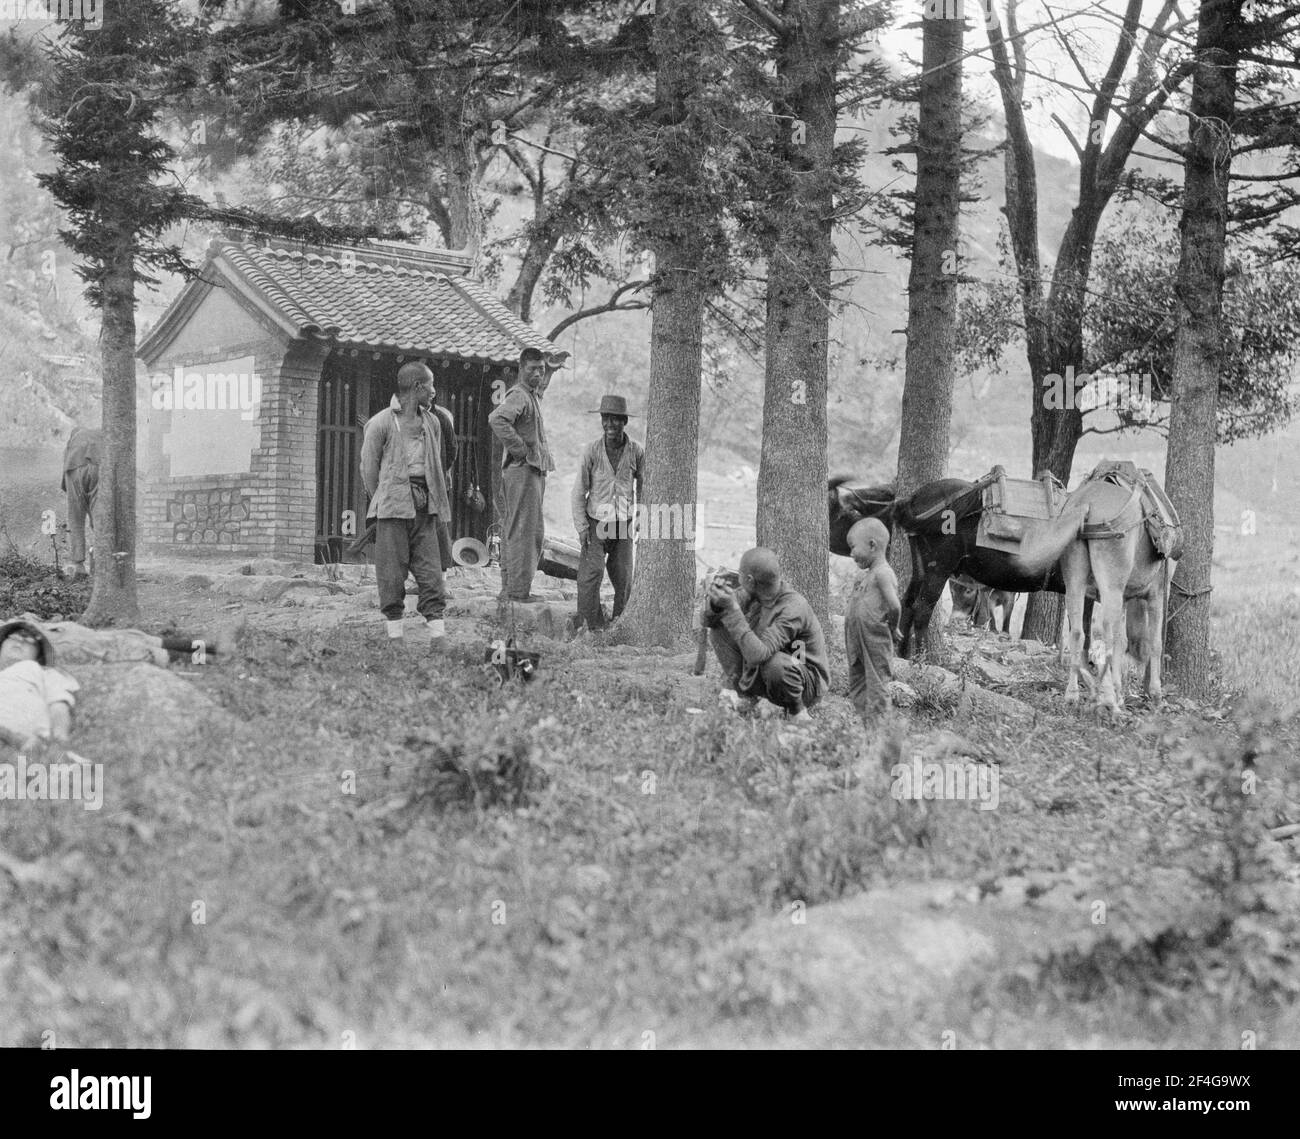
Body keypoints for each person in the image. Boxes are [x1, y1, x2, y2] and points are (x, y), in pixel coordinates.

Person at [360, 361, 451, 648]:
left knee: (432, 573)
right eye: (431, 385)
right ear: (417, 387)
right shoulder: (381, 423)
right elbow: (368, 470)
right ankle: (395, 637)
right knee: (391, 574)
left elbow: (438, 464)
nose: (434, 391)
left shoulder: (433, 422)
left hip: (425, 509)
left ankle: (437, 636)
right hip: (392, 510)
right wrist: (385, 499)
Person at [702, 547, 829, 724]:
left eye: (740, 573)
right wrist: (715, 603)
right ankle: (743, 694)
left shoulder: (793, 607)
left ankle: (797, 711)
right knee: (719, 629)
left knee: (776, 663)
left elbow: (758, 656)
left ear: (749, 580)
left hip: (804, 681)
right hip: (766, 671)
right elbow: (707, 622)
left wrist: (732, 609)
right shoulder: (751, 593)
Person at [571, 394, 645, 631]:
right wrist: (582, 527)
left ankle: (619, 624)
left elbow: (644, 485)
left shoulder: (636, 451)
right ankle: (590, 626)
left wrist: (640, 515)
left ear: (625, 422)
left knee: (623, 576)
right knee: (591, 574)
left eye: (615, 419)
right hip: (595, 522)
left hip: (623, 523)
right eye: (606, 419)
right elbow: (578, 490)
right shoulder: (592, 450)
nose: (610, 424)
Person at [488, 347, 554, 602]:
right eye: (533, 368)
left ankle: (511, 589)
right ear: (521, 369)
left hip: (529, 472)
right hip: (524, 472)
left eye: (542, 369)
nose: (538, 373)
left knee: (517, 529)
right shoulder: (519, 395)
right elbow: (497, 419)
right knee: (526, 531)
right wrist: (520, 450)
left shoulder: (531, 396)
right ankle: (517, 592)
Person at [844, 517, 902, 726]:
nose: (851, 554)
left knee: (877, 682)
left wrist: (894, 628)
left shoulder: (883, 573)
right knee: (858, 680)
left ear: (872, 545)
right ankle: (866, 724)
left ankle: (880, 729)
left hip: (875, 639)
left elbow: (894, 606)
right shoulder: (866, 575)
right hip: (858, 639)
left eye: (853, 548)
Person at [0, 619, 78, 752]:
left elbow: (59, 703)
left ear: (38, 655)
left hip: (29, 736)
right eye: (13, 637)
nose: (19, 641)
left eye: (30, 640)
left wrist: (60, 739)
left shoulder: (41, 671)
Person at [61, 425, 101, 579]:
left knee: (76, 517)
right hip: (100, 465)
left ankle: (78, 565)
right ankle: (100, 558)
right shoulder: (102, 434)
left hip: (74, 466)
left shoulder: (73, 441)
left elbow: (64, 482)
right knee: (99, 517)